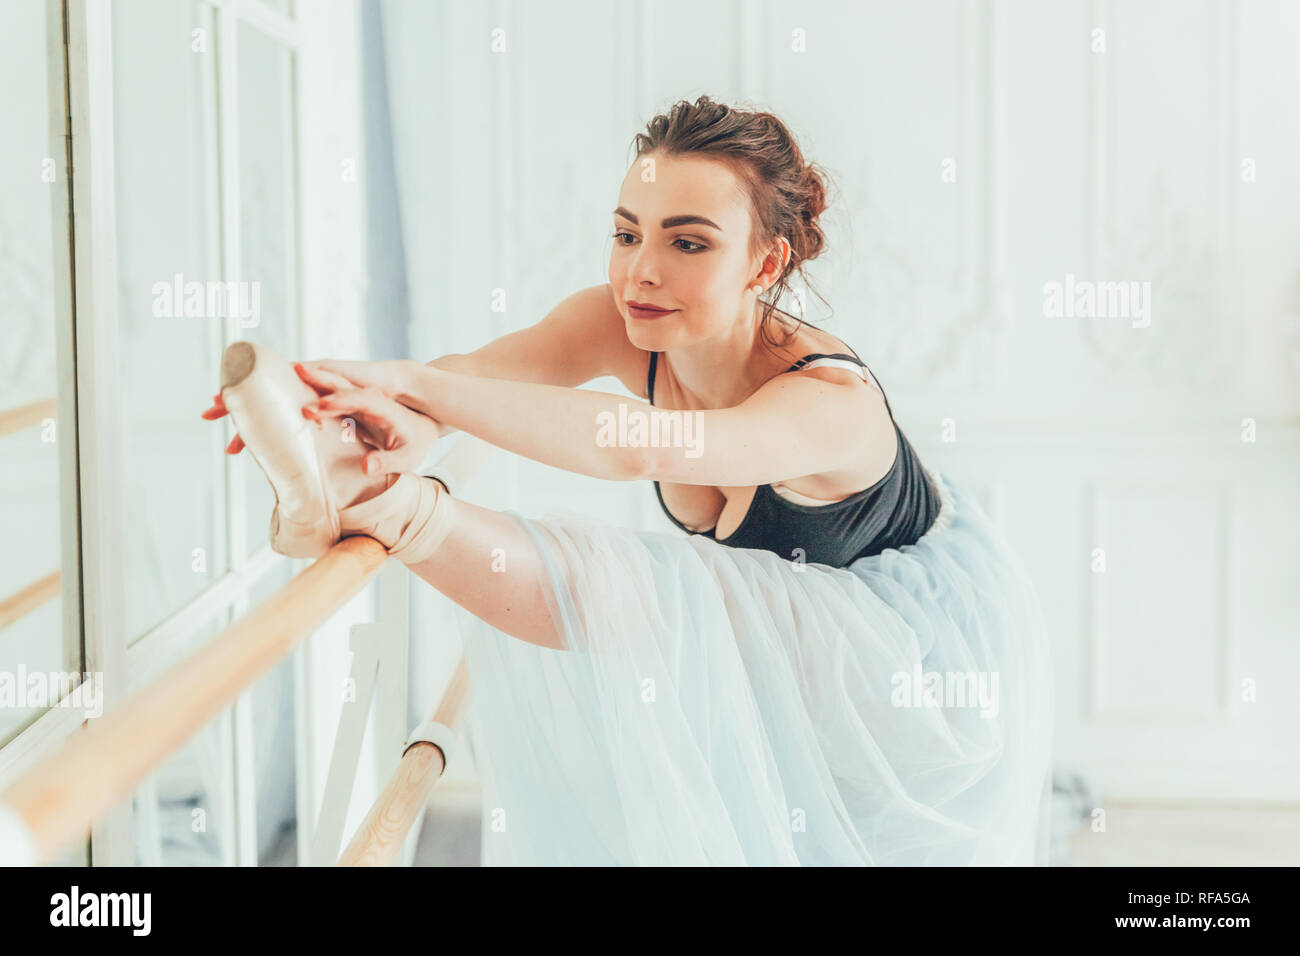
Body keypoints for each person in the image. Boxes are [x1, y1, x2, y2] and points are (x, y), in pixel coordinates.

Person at [204, 95, 1054, 865]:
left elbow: (636, 446)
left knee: (640, 588)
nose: (640, 271)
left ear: (765, 266)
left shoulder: (832, 405)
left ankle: (383, 503)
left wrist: (408, 383)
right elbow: (479, 377)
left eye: (687, 242)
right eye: (626, 232)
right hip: (782, 635)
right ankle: (356, 479)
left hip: (899, 671)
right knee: (670, 593)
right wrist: (340, 405)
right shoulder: (621, 318)